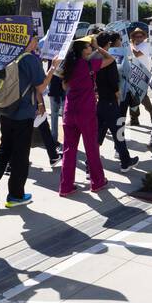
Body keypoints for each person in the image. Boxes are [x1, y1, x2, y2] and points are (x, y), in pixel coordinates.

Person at [0, 32, 48, 209]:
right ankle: (15, 195)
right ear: (27, 41)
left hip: (5, 110)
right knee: (21, 155)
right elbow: (40, 86)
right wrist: (53, 69)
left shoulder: (6, 56)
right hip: (23, 112)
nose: (36, 42)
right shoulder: (30, 59)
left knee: (5, 147)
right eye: (34, 39)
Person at [57, 37, 110, 196]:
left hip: (69, 111)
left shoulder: (69, 65)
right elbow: (110, 59)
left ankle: (66, 186)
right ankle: (97, 182)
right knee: (91, 148)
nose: (90, 48)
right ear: (82, 50)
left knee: (68, 150)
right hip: (86, 112)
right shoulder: (88, 64)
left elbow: (65, 85)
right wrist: (98, 47)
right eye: (88, 46)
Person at [94, 32, 139, 171]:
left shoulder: (93, 58)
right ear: (108, 44)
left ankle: (91, 165)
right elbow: (114, 81)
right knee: (118, 130)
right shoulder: (110, 60)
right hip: (110, 101)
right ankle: (125, 161)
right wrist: (117, 93)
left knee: (99, 134)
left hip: (100, 100)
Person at [126, 27, 152, 126]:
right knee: (133, 96)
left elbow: (137, 54)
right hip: (132, 72)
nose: (138, 38)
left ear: (144, 37)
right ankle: (134, 118)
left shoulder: (145, 45)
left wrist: (129, 45)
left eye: (140, 36)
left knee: (142, 96)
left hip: (143, 73)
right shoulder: (134, 45)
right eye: (136, 36)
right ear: (133, 37)